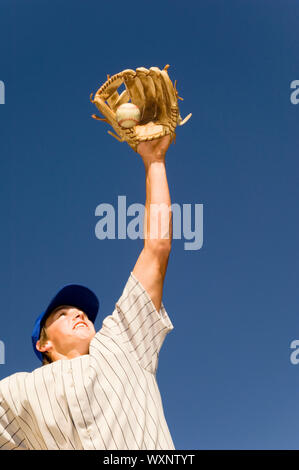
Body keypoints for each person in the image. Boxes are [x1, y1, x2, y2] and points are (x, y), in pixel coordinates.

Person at [0, 135, 175, 450]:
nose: (78, 313)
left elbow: (156, 250)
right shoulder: (19, 392)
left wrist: (155, 161)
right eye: (62, 313)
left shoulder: (122, 343)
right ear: (44, 343)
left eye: (80, 311)